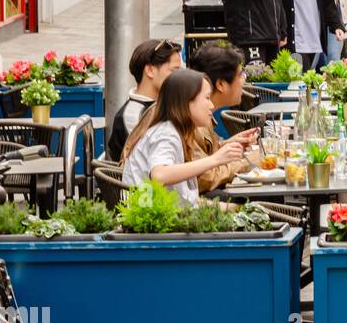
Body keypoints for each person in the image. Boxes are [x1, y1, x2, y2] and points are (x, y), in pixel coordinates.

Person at [121, 69, 250, 206]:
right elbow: (160, 175)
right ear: (186, 101)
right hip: (152, 221)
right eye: (207, 98)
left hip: (165, 215)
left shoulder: (175, 131)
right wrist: (215, 159)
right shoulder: (166, 133)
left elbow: (186, 201)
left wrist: (232, 208)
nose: (211, 105)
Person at [185, 44, 259, 191]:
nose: (244, 80)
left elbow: (203, 156)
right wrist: (248, 162)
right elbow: (204, 178)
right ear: (221, 84)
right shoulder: (192, 117)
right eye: (240, 75)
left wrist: (227, 145)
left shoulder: (200, 112)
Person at [107, 38, 182, 162]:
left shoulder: (164, 103)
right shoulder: (133, 116)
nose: (179, 77)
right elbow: (148, 167)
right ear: (150, 71)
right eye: (174, 71)